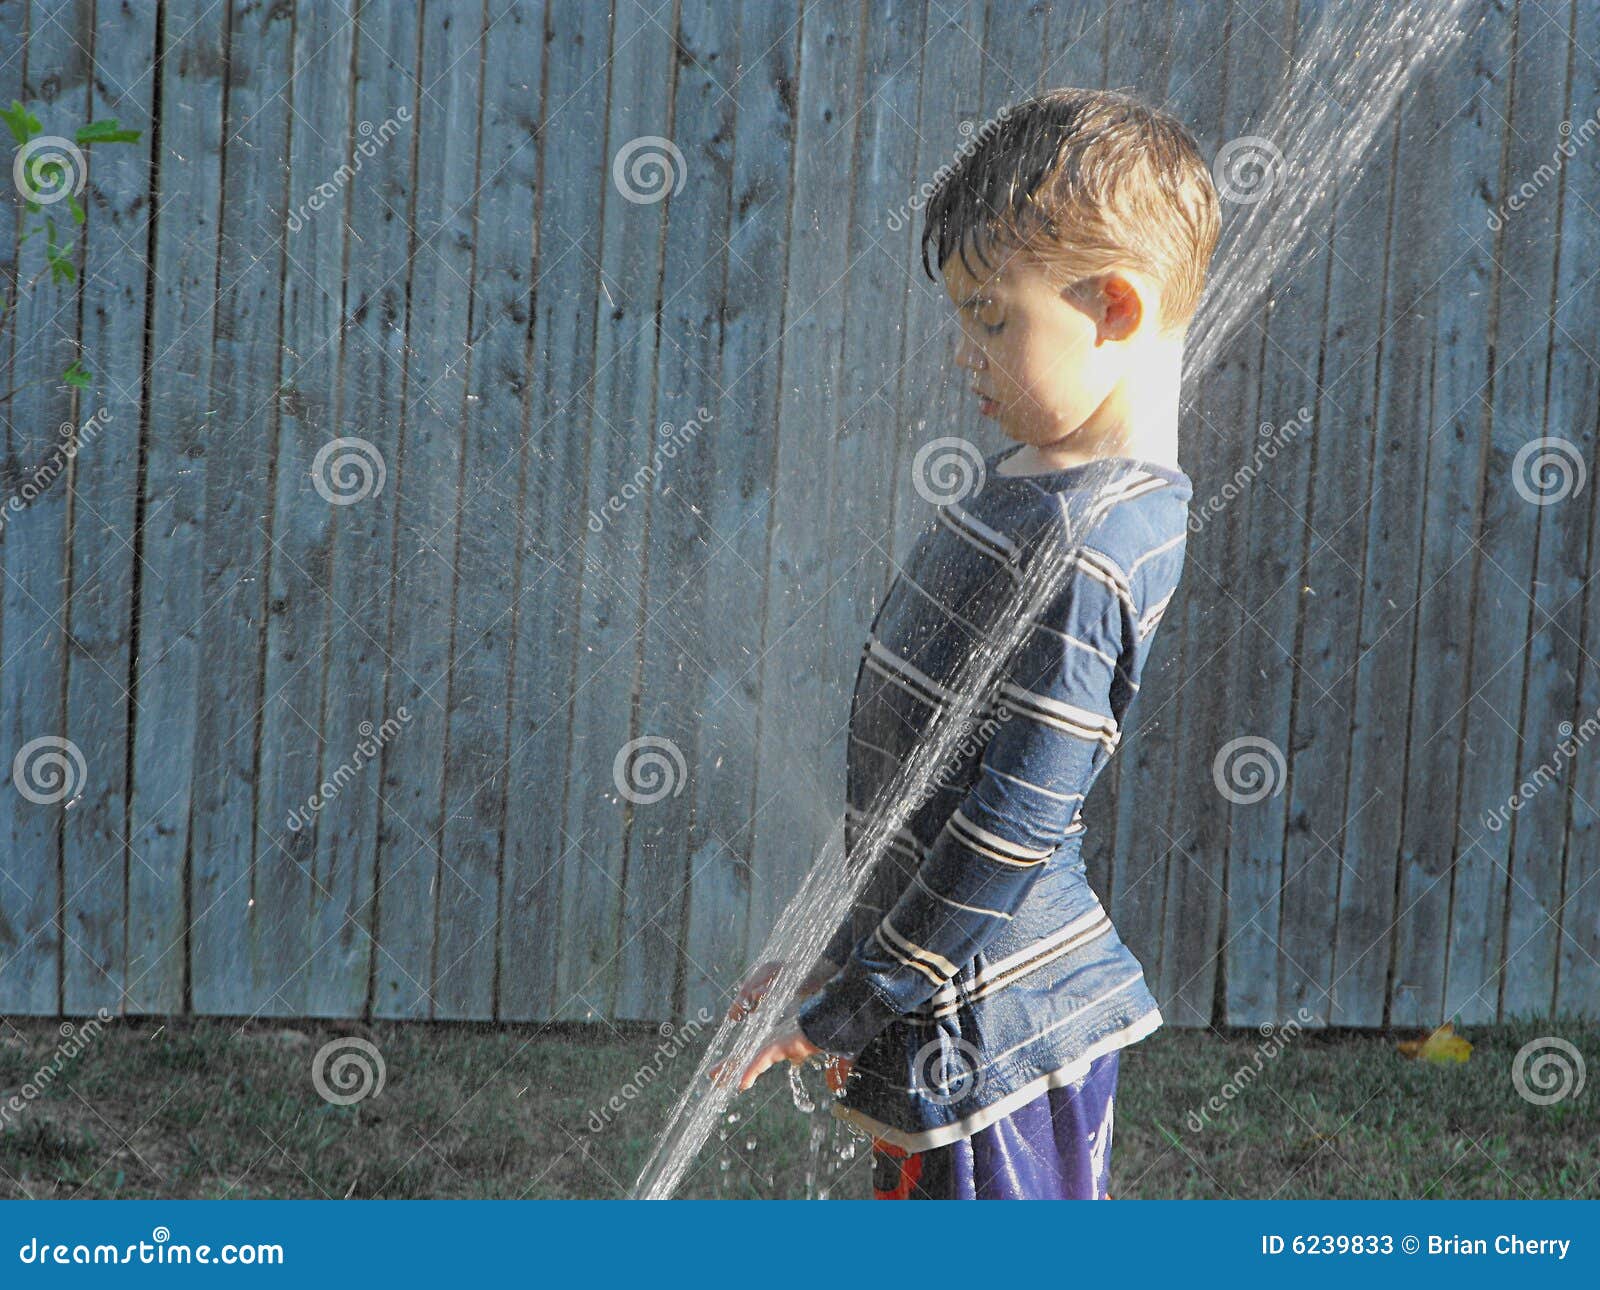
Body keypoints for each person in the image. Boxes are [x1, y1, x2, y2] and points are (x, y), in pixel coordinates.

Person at [726, 86, 1221, 1199]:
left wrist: (857, 1002)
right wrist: (841, 961)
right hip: (950, 1005)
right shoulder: (1039, 491)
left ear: (1114, 307)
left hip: (992, 1036)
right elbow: (927, 798)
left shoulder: (1090, 547)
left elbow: (1011, 820)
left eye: (990, 317)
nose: (963, 353)